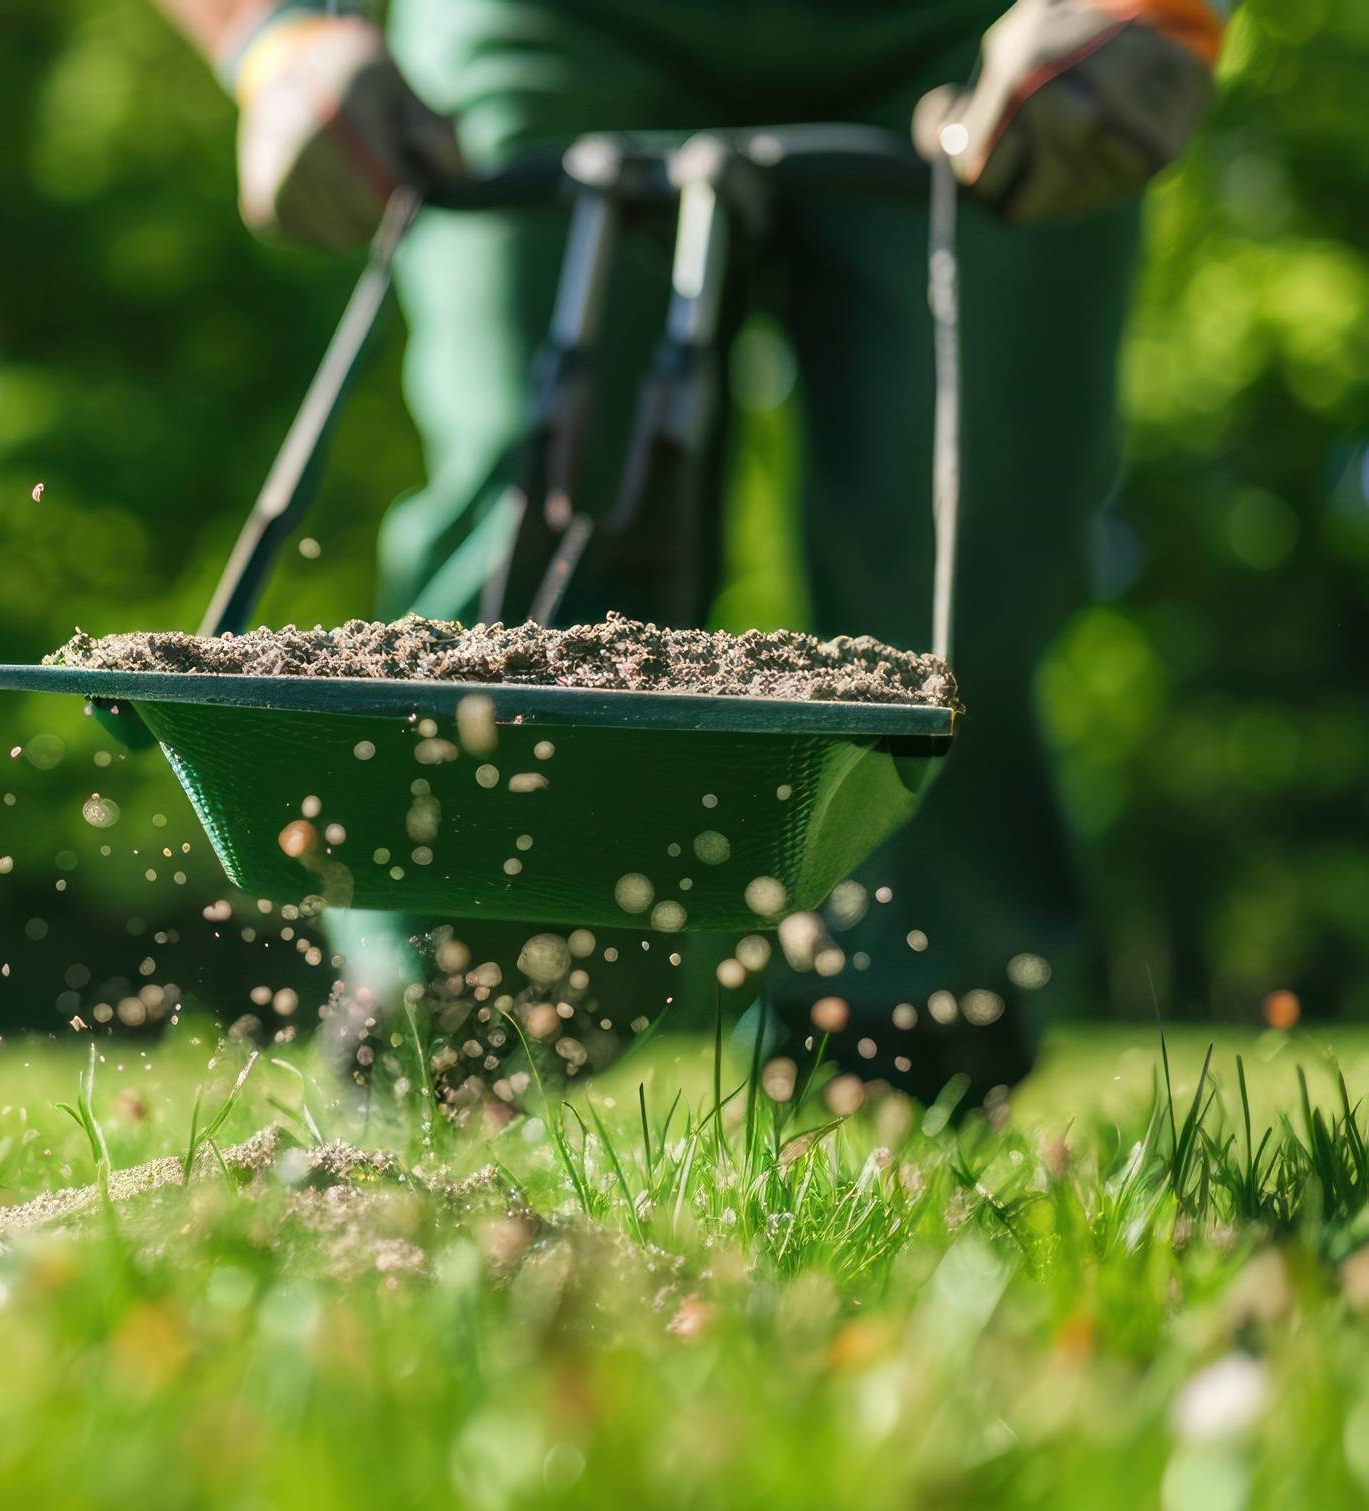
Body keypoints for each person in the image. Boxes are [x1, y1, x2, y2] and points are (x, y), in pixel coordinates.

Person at [147, 0, 1224, 1102]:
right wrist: (273, 34)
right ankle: (453, 1024)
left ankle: (916, 1041)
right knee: (536, 521)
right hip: (552, 25)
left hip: (984, 33)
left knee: (963, 525)